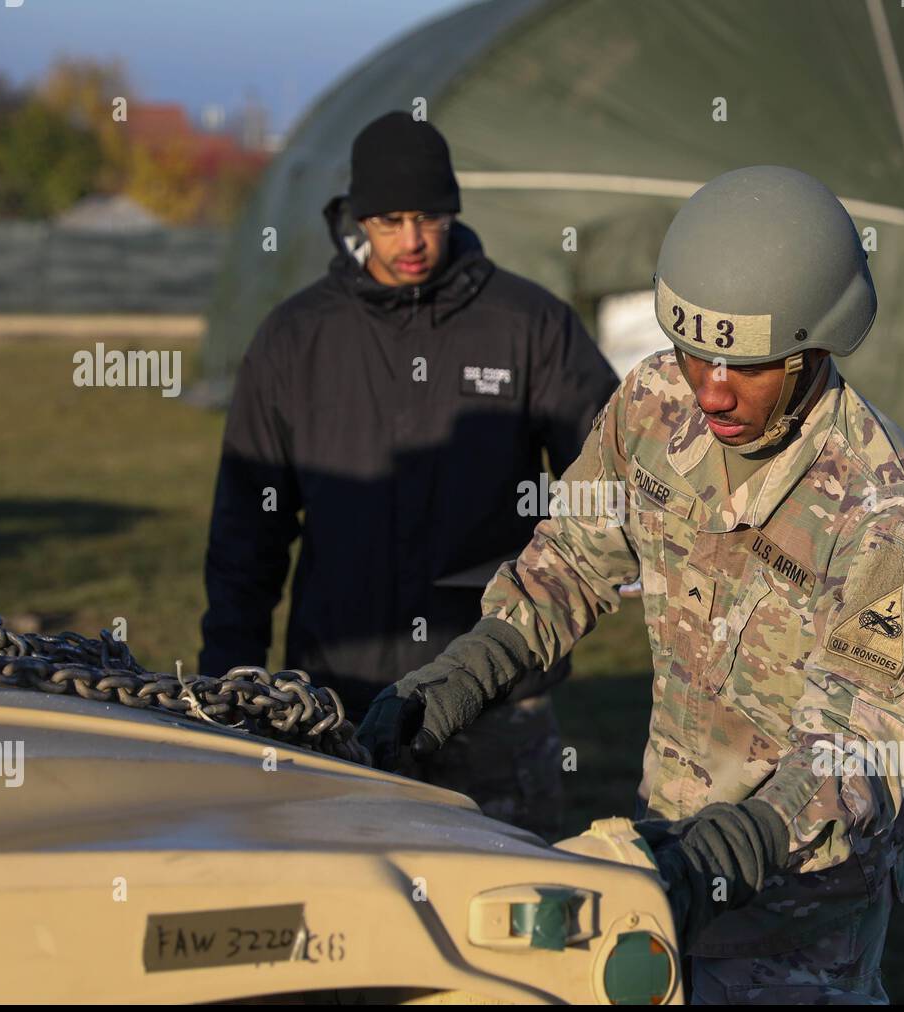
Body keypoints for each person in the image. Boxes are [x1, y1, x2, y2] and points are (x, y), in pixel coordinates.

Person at [356, 165, 904, 1004]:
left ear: (815, 348)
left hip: (792, 932)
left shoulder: (894, 522)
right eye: (694, 352)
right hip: (657, 863)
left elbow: (859, 754)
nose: (710, 389)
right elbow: (568, 565)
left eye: (748, 366)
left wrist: (715, 859)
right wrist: (454, 683)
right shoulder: (653, 404)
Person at [199, 111, 617, 840]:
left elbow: (611, 471)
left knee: (510, 915)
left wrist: (548, 594)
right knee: (344, 913)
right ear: (359, 219)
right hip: (335, 693)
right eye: (391, 220)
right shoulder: (297, 339)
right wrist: (226, 674)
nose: (414, 241)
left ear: (453, 212)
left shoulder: (529, 325)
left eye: (429, 217)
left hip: (493, 695)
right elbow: (248, 527)